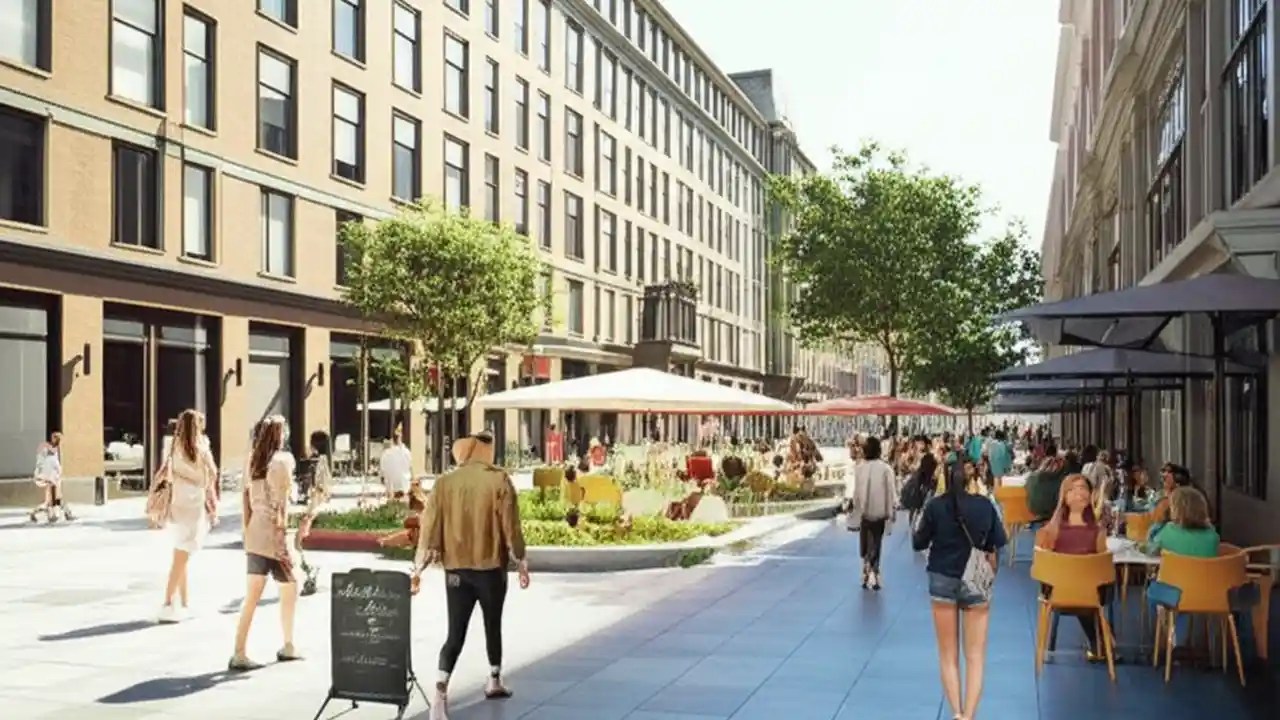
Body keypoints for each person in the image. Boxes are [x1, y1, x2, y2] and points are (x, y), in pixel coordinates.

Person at [413, 431, 530, 720]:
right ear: (483, 450)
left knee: (455, 634)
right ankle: (494, 679)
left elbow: (429, 530)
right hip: (490, 569)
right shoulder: (499, 480)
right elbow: (511, 527)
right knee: (493, 624)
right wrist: (521, 560)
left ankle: (439, 695)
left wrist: (418, 569)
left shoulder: (444, 483)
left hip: (455, 570)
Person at [912, 451, 1008, 720]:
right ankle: (970, 715)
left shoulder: (935, 506)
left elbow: (918, 543)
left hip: (942, 578)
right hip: (976, 581)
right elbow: (995, 544)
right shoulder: (984, 506)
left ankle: (956, 712)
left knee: (948, 654)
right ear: (970, 476)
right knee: (975, 656)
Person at [229, 416, 302, 671]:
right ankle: (288, 644)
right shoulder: (282, 462)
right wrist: (283, 541)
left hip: (254, 533)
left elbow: (245, 503)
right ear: (280, 435)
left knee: (251, 596)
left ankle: (239, 651)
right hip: (273, 535)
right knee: (291, 587)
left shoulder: (253, 462)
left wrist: (246, 534)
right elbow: (282, 505)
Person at [1035, 474, 1108, 658]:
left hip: (1058, 594)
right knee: (1097, 591)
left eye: (1083, 488)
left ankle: (1101, 643)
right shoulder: (1052, 531)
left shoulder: (1048, 530)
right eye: (1073, 489)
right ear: (1064, 496)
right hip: (1084, 594)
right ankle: (1103, 642)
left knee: (1088, 587)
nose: (1080, 493)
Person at [157, 410, 220, 623]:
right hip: (194, 501)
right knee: (183, 552)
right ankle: (167, 603)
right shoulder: (202, 444)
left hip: (178, 499)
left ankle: (183, 603)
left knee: (180, 550)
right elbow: (213, 471)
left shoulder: (172, 444)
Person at [847, 436, 897, 590]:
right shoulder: (885, 469)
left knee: (866, 541)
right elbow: (891, 491)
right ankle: (874, 570)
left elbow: (856, 492)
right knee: (877, 541)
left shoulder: (860, 468)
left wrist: (854, 507)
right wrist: (892, 509)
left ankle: (866, 568)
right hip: (880, 512)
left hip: (864, 512)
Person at [1149, 487, 1220, 558]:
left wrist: (1158, 524)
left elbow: (1151, 550)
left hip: (1174, 569)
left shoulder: (1168, 531)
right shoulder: (1213, 537)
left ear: (1176, 510)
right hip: (1205, 569)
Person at [31, 432, 73, 523]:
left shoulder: (54, 450)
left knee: (56, 498)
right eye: (57, 438)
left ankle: (58, 514)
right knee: (51, 499)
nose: (58, 441)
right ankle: (48, 514)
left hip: (54, 477)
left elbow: (55, 464)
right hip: (49, 477)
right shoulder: (45, 449)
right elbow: (44, 463)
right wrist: (41, 475)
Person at [380, 428, 413, 502]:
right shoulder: (406, 452)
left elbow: (382, 471)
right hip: (404, 485)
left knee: (392, 505)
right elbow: (410, 467)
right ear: (400, 439)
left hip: (391, 486)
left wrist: (384, 479)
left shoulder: (386, 454)